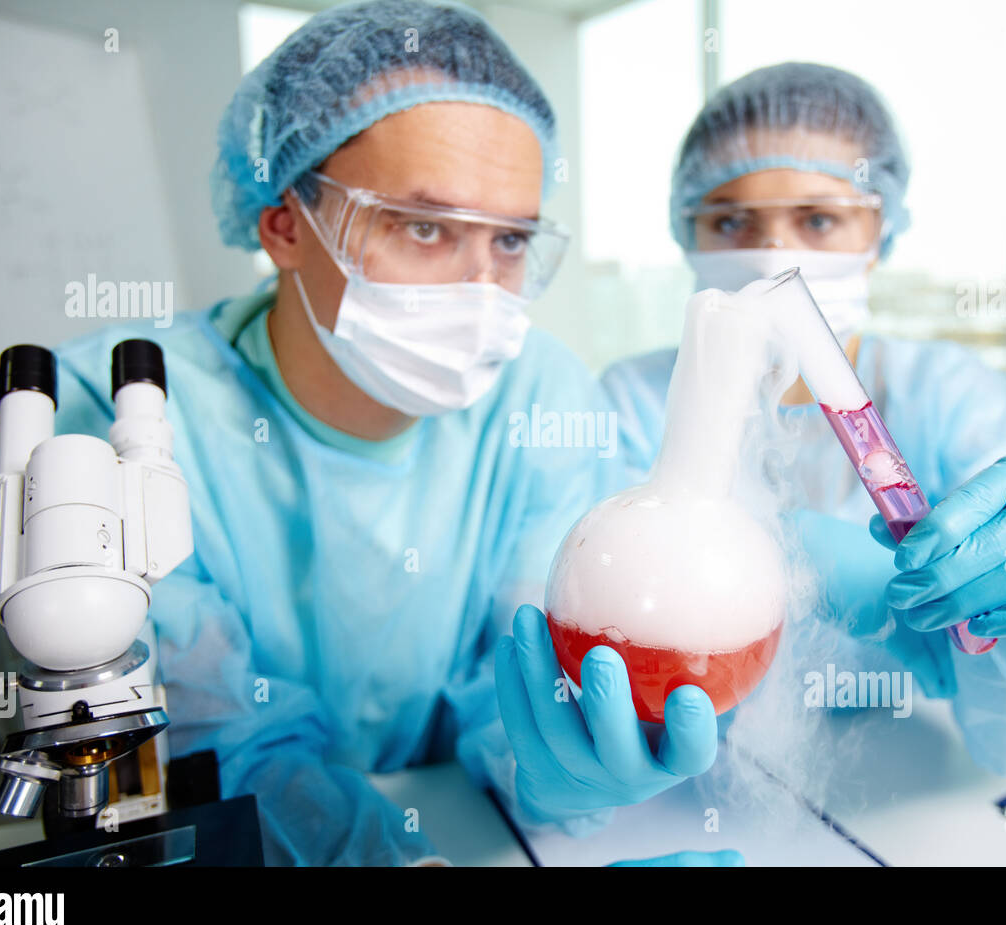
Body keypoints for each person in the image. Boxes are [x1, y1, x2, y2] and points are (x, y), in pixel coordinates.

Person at [43, 0, 680, 865]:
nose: (481, 288)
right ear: (284, 226)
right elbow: (218, 740)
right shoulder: (126, 408)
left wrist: (561, 763)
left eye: (512, 239)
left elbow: (535, 678)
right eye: (423, 227)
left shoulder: (545, 397)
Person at [600, 63, 1006, 774]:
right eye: (730, 220)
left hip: (918, 782)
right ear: (683, 230)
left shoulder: (956, 400)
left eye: (820, 218)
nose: (774, 254)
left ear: (882, 232)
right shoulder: (627, 407)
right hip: (681, 785)